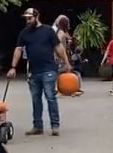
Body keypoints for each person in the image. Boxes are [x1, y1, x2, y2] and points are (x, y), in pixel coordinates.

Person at [6, 8, 70, 136]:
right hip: (34, 71)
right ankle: (37, 126)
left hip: (49, 70)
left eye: (30, 18)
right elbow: (18, 49)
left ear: (36, 17)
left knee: (50, 97)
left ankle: (55, 125)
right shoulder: (24, 33)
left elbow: (58, 47)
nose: (28, 21)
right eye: (26, 19)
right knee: (36, 99)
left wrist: (65, 61)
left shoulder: (48, 31)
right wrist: (13, 67)